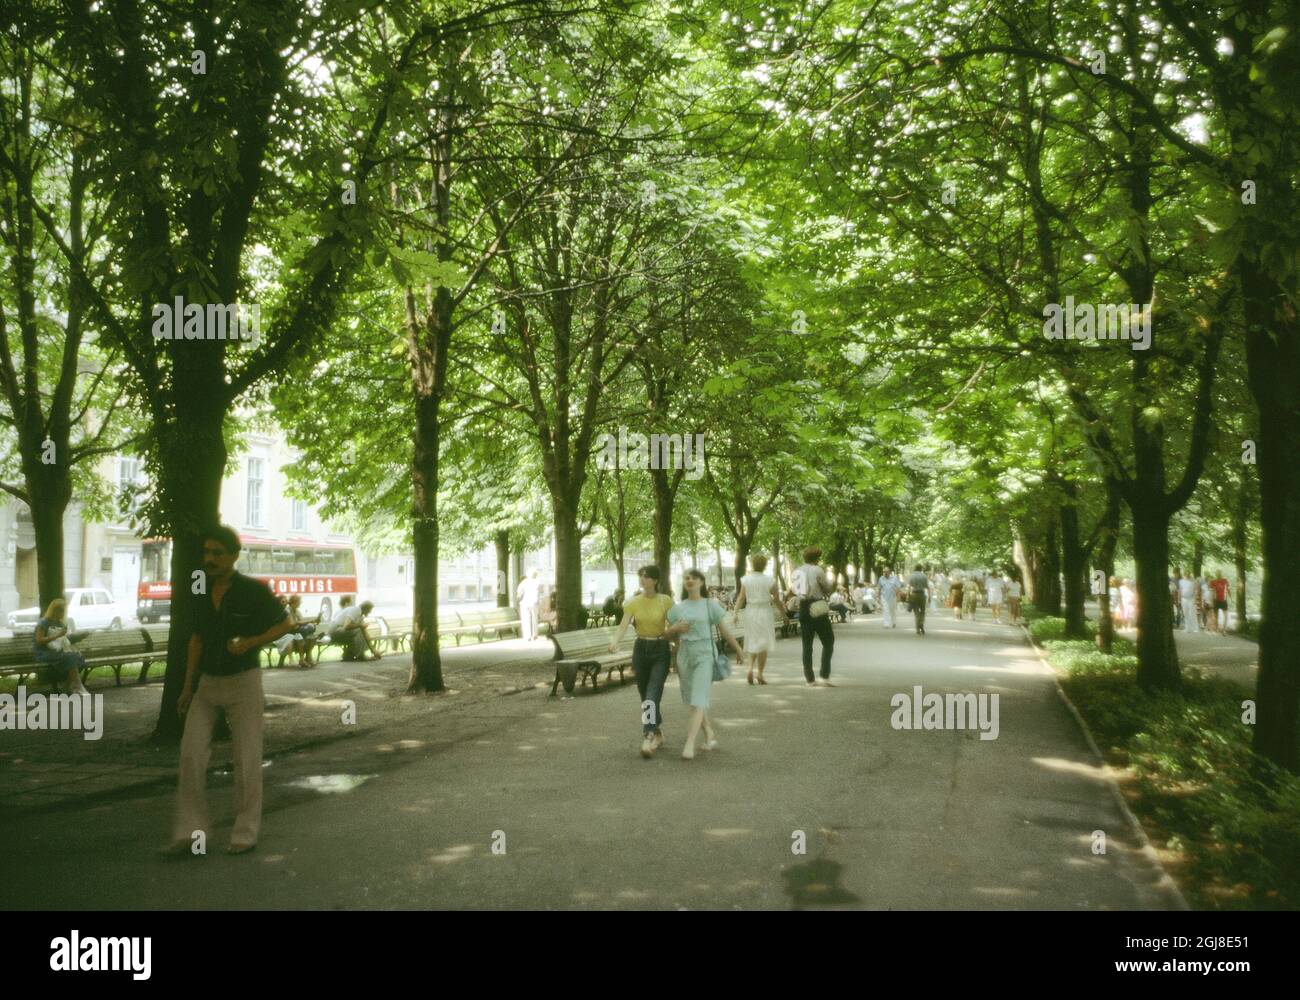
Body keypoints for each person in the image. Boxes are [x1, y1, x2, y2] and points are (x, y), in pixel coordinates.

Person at [166, 525, 296, 856]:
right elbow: (195, 639)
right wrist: (187, 687)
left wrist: (251, 642)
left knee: (246, 758)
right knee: (191, 755)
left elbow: (285, 625)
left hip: (243, 682)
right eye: (206, 553)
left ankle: (245, 832)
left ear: (233, 556)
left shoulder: (253, 591)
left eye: (216, 553)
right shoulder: (199, 590)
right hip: (207, 684)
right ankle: (190, 834)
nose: (209, 559)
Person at [664, 570, 744, 760]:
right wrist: (674, 629)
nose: (689, 580)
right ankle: (708, 732)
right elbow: (667, 635)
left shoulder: (710, 605)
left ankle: (690, 743)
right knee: (693, 699)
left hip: (705, 654)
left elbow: (725, 631)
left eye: (693, 577)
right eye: (686, 578)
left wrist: (739, 650)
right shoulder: (677, 608)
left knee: (699, 697)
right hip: (685, 655)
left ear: (701, 582)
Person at [609, 566, 674, 758]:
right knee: (645, 696)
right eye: (641, 576)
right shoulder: (632, 603)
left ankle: (648, 735)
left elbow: (673, 625)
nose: (643, 579)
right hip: (641, 650)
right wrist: (614, 641)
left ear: (655, 580)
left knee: (652, 693)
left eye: (646, 577)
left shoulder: (666, 601)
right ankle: (658, 732)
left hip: (660, 649)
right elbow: (623, 625)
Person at [735, 554, 787, 685]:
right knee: (763, 643)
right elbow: (776, 600)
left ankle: (750, 669)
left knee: (753, 640)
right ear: (765, 565)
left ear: (752, 564)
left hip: (751, 611)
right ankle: (760, 674)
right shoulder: (770, 580)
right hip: (764, 611)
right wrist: (784, 615)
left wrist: (735, 613)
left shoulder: (746, 580)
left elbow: (741, 598)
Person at [792, 547, 836, 685]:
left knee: (807, 645)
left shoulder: (797, 572)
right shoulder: (818, 570)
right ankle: (824, 675)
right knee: (828, 641)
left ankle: (809, 679)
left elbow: (795, 590)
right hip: (817, 607)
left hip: (804, 608)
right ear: (816, 558)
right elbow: (827, 588)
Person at [33, 598, 91, 695]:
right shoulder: (43, 622)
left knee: (78, 657)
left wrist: (79, 636)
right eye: (61, 610)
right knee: (70, 657)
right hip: (44, 652)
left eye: (64, 610)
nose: (63, 613)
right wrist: (57, 635)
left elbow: (64, 640)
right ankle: (78, 686)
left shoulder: (60, 622)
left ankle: (67, 686)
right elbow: (39, 641)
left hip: (58, 650)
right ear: (54, 610)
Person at [328, 596, 381, 660]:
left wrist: (373, 650)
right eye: (370, 610)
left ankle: (348, 655)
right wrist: (360, 626)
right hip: (335, 630)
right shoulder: (356, 610)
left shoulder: (360, 616)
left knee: (360, 633)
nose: (370, 612)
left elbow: (365, 634)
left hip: (341, 631)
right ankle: (360, 655)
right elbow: (346, 626)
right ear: (366, 608)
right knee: (359, 630)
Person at [517, 569, 542, 641]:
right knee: (534, 619)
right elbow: (539, 592)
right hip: (534, 602)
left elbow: (519, 594)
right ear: (535, 575)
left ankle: (527, 636)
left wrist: (519, 600)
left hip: (525, 603)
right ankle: (535, 635)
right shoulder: (537, 582)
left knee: (525, 619)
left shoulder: (524, 582)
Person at [907, 565, 929, 635]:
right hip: (922, 595)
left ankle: (917, 629)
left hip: (914, 595)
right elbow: (927, 587)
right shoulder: (924, 576)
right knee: (923, 611)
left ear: (915, 568)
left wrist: (908, 596)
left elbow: (909, 587)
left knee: (916, 612)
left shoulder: (911, 576)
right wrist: (930, 597)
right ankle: (921, 623)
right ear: (921, 569)